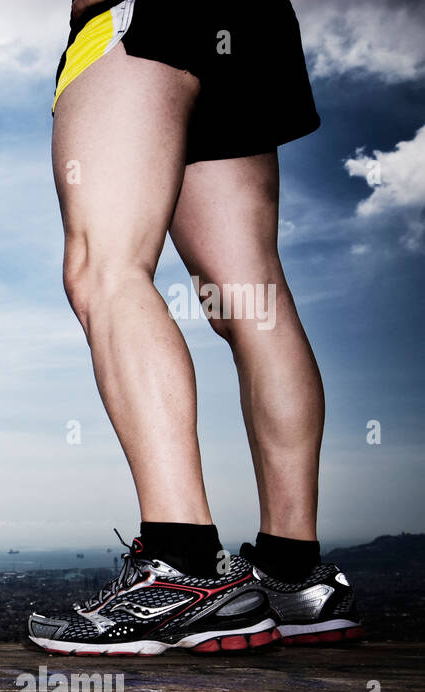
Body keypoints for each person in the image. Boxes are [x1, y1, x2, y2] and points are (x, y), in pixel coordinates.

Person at [29, 0, 360, 656]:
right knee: (250, 294)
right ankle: (292, 572)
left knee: (107, 267)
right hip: (250, 19)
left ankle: (184, 565)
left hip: (139, 13)